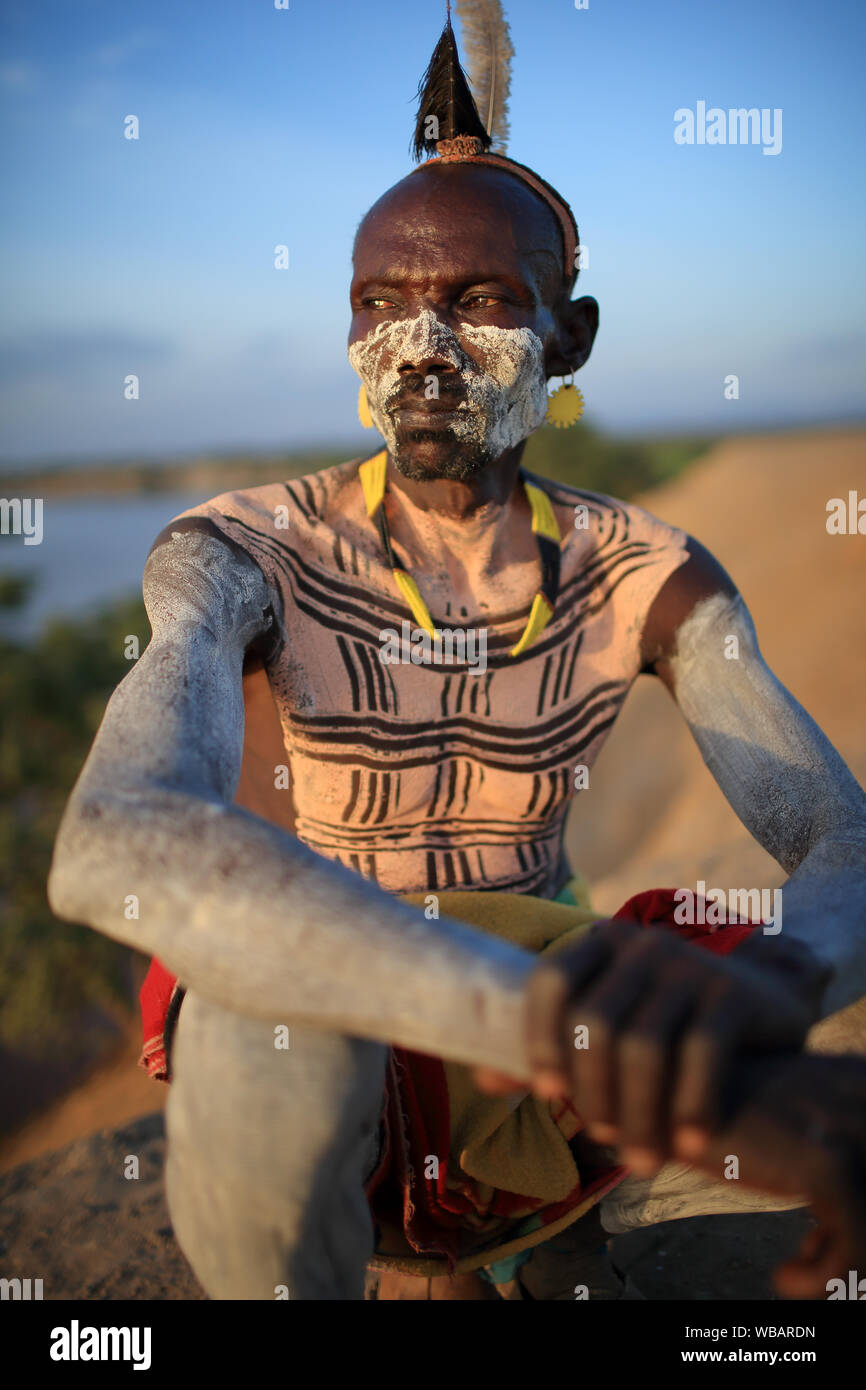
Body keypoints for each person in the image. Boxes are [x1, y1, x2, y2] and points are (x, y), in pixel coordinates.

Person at [48, 7, 866, 1300]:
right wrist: (545, 1024)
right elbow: (113, 838)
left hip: (545, 1090)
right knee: (269, 1021)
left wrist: (767, 989)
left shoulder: (642, 572)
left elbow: (845, 843)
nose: (417, 348)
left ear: (570, 336)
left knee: (696, 955)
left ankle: (543, 1231)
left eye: (476, 301)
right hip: (361, 1066)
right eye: (379, 305)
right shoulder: (239, 551)